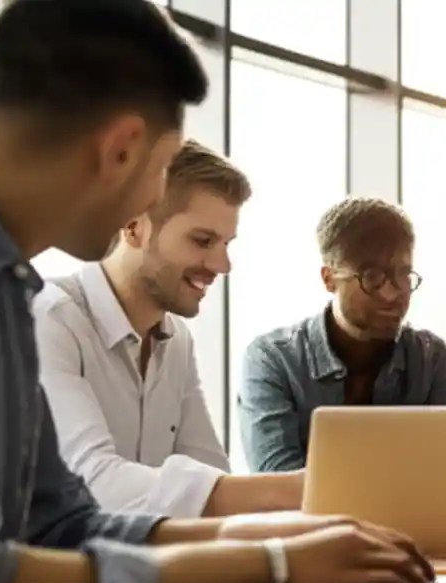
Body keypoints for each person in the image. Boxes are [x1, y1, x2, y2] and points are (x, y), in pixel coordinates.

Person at [0, 0, 431, 583]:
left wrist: (277, 537)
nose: (150, 196)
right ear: (121, 148)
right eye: (160, 170)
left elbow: (61, 526)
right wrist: (266, 566)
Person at [33, 140, 303, 517]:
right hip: (56, 572)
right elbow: (94, 485)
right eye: (203, 240)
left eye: (226, 243)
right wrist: (293, 489)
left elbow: (210, 473)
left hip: (141, 569)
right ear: (132, 227)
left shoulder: (176, 339)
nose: (223, 264)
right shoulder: (51, 321)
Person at [238, 197, 446, 473]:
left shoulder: (430, 358)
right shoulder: (273, 360)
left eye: (403, 275)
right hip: (310, 518)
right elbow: (276, 481)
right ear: (329, 278)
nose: (392, 293)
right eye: (371, 277)